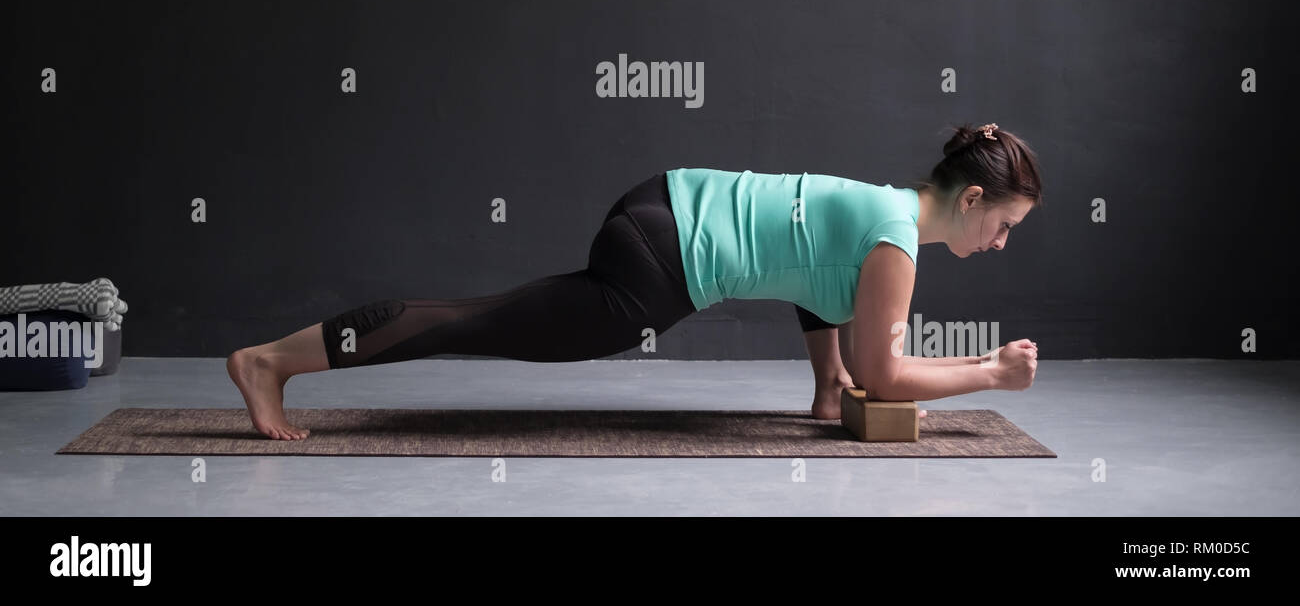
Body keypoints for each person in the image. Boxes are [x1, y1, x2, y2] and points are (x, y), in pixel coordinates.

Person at [228, 122, 1044, 440]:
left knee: (483, 318)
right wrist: (990, 374)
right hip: (660, 265)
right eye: (1003, 224)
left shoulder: (877, 211)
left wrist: (829, 390)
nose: (1001, 242)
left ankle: (275, 363)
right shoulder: (896, 244)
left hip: (659, 202)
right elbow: (888, 373)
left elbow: (807, 272)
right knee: (474, 321)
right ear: (972, 199)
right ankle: (270, 362)